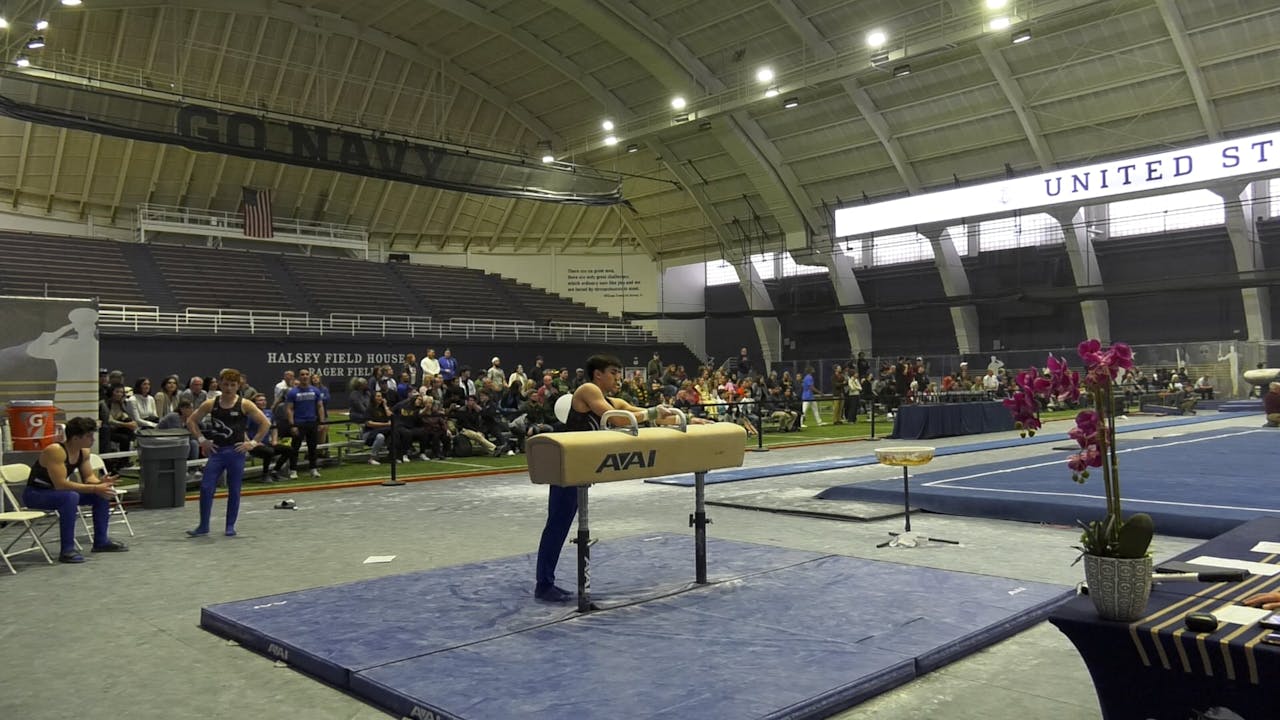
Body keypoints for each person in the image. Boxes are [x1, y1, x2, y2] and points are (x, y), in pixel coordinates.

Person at [533, 353, 708, 603]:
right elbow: (615, 420)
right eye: (614, 373)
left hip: (583, 468)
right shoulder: (587, 390)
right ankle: (543, 584)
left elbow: (648, 414)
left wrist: (689, 420)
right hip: (566, 465)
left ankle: (546, 581)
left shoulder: (612, 400)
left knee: (561, 524)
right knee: (557, 525)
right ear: (598, 374)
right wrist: (650, 413)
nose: (618, 378)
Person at [22, 416, 128, 563]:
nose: (93, 440)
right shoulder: (55, 451)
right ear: (75, 438)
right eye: (89, 436)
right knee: (70, 497)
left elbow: (89, 476)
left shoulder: (83, 451)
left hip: (58, 492)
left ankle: (101, 541)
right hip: (37, 493)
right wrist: (95, 487)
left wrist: (100, 483)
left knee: (101, 494)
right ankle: (67, 550)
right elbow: (61, 485)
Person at [185, 369, 270, 537]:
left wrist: (252, 443)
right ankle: (203, 525)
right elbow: (191, 421)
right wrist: (202, 440)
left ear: (238, 386)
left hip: (236, 452)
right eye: (225, 384)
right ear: (220, 384)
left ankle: (230, 525)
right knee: (206, 487)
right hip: (217, 451)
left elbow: (265, 423)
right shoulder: (211, 403)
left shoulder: (245, 404)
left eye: (233, 385)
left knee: (234, 489)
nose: (229, 388)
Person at [285, 368, 325, 479]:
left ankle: (313, 469)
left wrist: (321, 422)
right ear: (299, 377)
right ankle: (293, 470)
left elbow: (320, 406)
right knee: (295, 448)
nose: (305, 376)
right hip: (299, 423)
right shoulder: (293, 392)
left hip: (312, 422)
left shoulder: (315, 391)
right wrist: (292, 425)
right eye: (302, 374)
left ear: (309, 376)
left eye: (307, 374)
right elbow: (289, 409)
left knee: (313, 447)